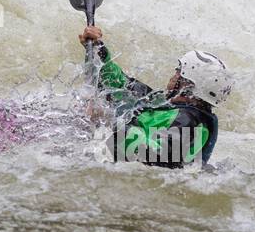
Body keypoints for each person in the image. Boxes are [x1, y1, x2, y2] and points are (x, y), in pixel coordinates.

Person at [78, 24, 233, 168]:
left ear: (189, 85)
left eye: (179, 71)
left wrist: (107, 123)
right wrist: (98, 50)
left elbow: (155, 157)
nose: (174, 75)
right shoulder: (165, 102)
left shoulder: (194, 126)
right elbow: (120, 85)